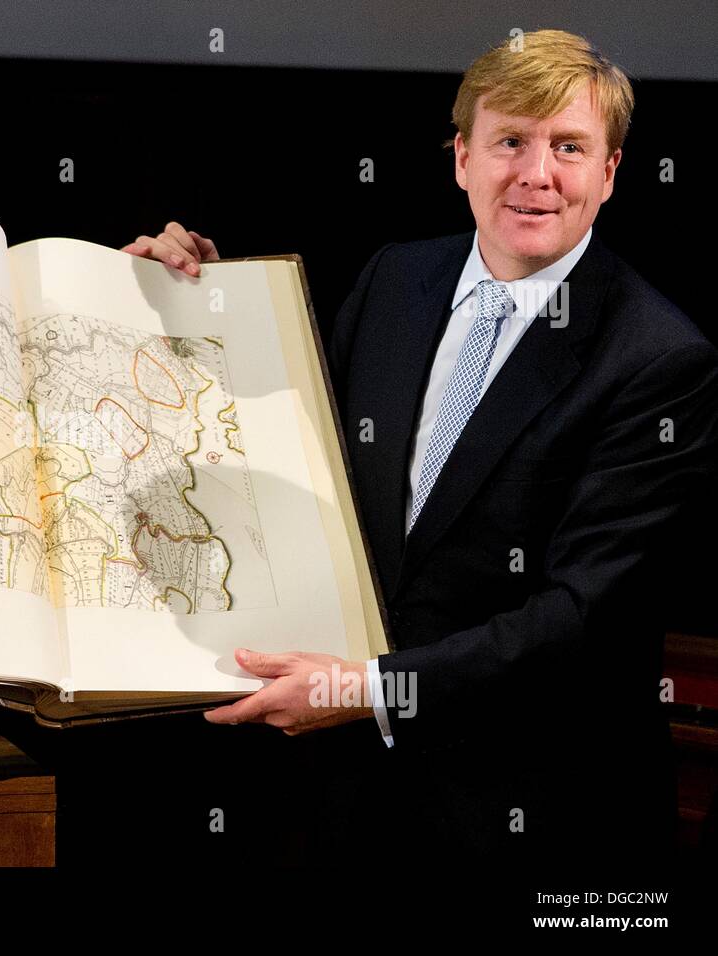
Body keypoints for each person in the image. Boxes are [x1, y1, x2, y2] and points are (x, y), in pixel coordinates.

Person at [123, 29, 718, 862]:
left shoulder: (658, 359)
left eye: (569, 147)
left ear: (610, 172)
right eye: (509, 141)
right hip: (346, 804)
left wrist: (364, 689)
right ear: (462, 158)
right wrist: (194, 304)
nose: (536, 174)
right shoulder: (395, 280)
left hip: (538, 821)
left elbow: (580, 620)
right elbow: (296, 455)